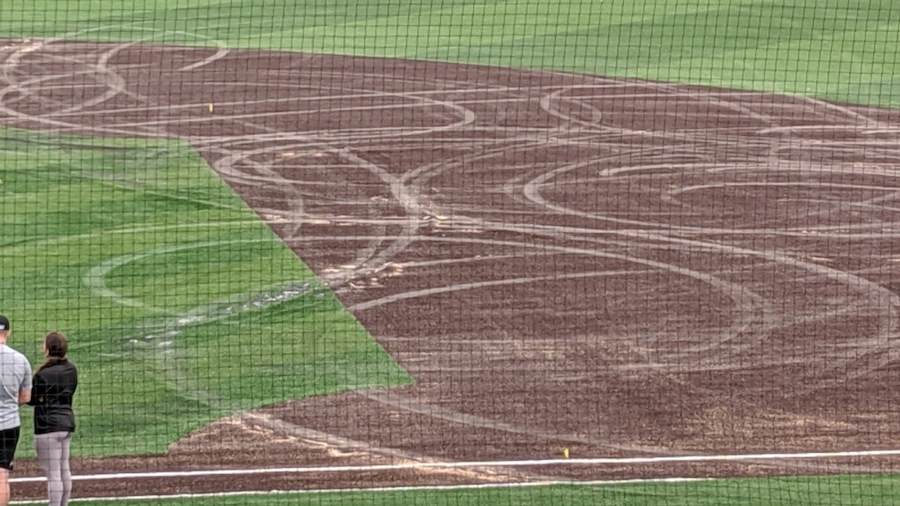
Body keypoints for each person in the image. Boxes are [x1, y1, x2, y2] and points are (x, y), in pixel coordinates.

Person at [28, 331, 77, 506]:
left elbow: (31, 399)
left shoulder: (42, 375)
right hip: (66, 424)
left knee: (53, 473)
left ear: (48, 350)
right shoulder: (71, 369)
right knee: (64, 470)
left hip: (47, 427)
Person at [0, 315, 32, 506]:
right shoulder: (21, 360)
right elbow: (26, 397)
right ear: (8, 332)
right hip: (10, 425)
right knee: (2, 474)